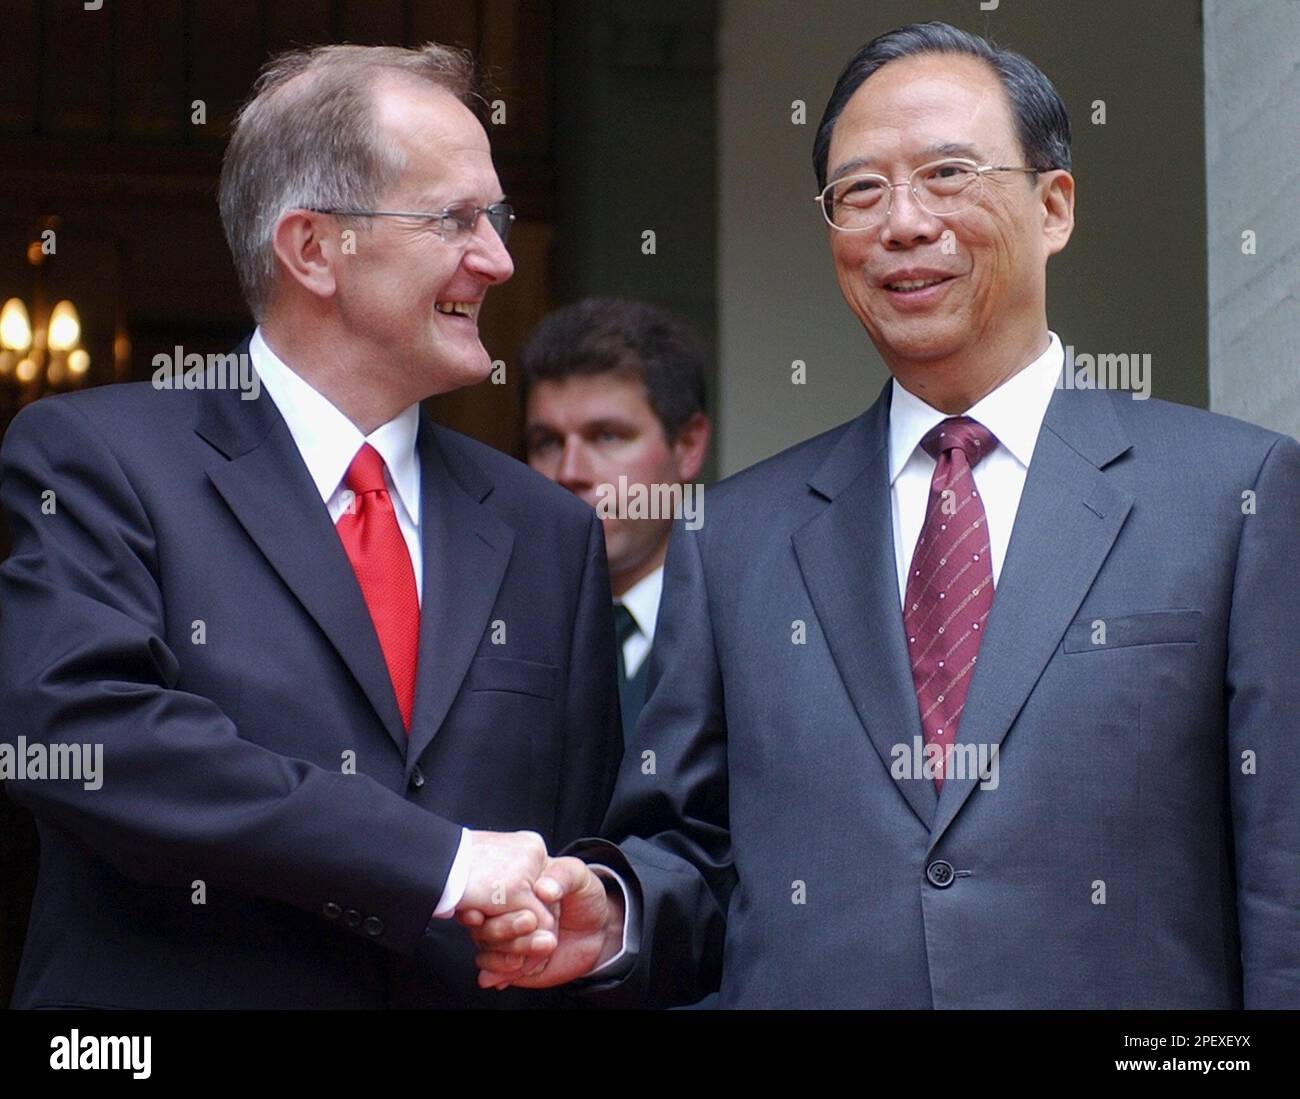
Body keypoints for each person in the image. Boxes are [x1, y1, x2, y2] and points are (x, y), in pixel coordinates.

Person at [466, 22, 1300, 1008]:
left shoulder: (1231, 497)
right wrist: (615, 913)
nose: (902, 223)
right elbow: (694, 856)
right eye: (859, 192)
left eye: (948, 174)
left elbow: (1281, 880)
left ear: (1054, 206)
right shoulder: (734, 539)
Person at [0, 43, 621, 1009]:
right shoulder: (98, 458)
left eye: (495, 218)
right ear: (312, 247)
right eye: (456, 219)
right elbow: (90, 733)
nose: (498, 258)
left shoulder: (549, 532)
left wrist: (588, 907)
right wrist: (442, 863)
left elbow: (578, 840)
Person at [519, 299, 711, 743]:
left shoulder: (746, 633)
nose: (569, 471)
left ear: (688, 445)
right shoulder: (498, 631)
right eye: (547, 442)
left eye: (607, 436)